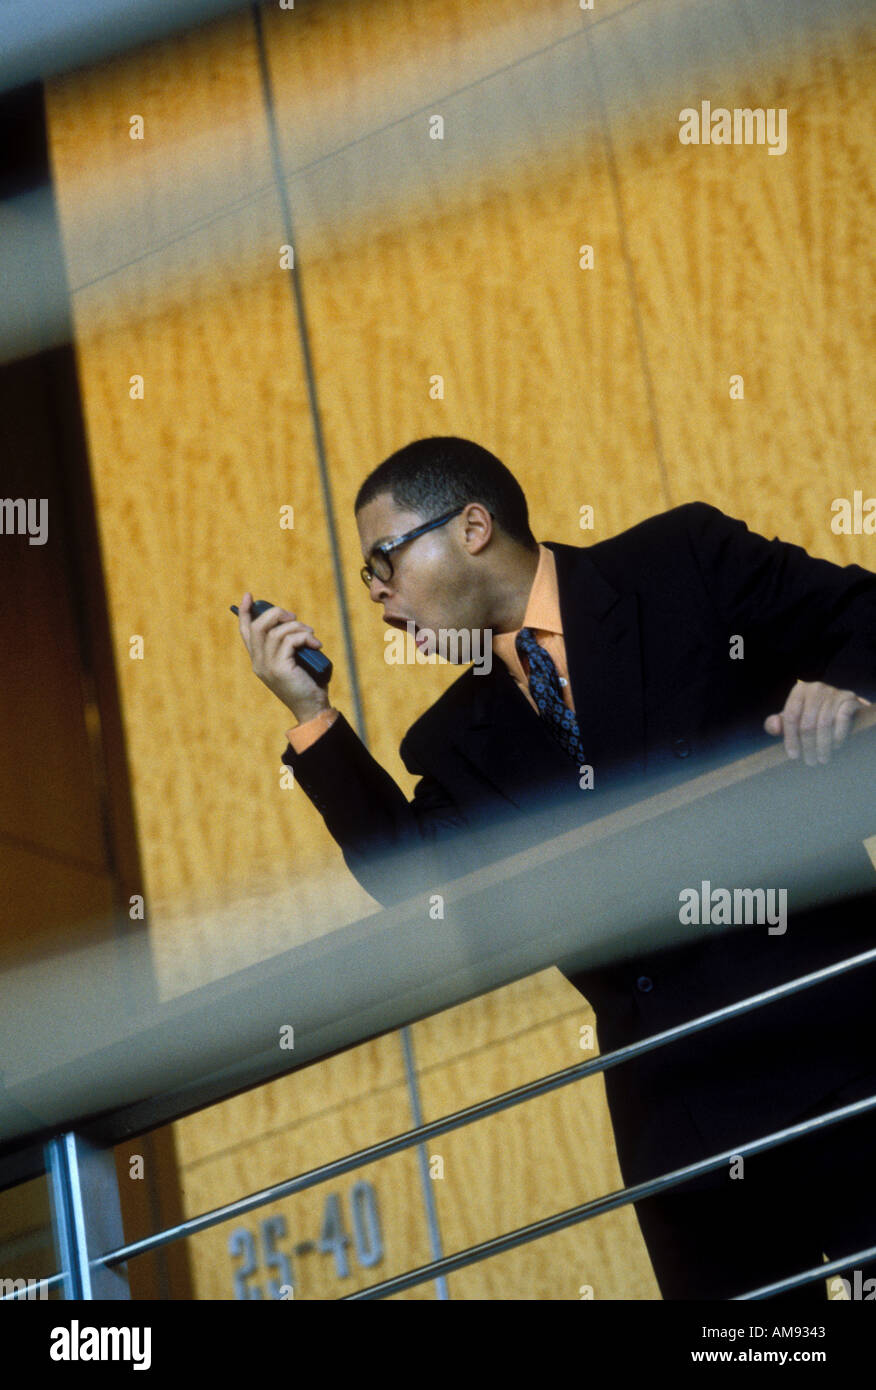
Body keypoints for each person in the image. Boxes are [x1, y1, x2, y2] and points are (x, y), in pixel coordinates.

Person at [237, 436, 876, 1301]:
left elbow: (860, 615)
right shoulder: (450, 740)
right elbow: (416, 879)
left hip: (836, 1041)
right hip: (684, 1126)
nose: (379, 597)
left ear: (471, 526)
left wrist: (845, 687)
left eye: (383, 561)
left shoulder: (680, 563)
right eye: (367, 580)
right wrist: (311, 714)